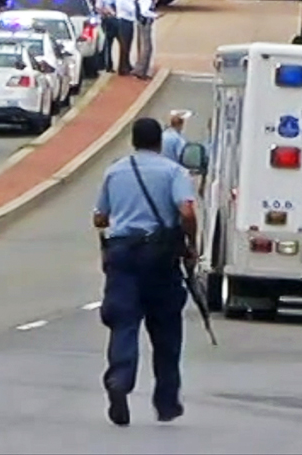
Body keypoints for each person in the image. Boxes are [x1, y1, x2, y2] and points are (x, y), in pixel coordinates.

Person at [93, 117, 198, 427]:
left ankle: (119, 381)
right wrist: (190, 242)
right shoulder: (174, 172)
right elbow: (187, 210)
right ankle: (166, 402)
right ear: (159, 143)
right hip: (160, 258)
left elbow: (100, 217)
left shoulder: (115, 171)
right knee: (166, 331)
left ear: (134, 141)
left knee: (123, 322)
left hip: (123, 254)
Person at [114, 0, 139, 75]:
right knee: (124, 45)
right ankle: (123, 68)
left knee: (127, 44)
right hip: (124, 22)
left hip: (127, 21)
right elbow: (131, 8)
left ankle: (127, 64)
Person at [132, 0, 157, 80]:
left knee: (144, 47)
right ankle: (141, 71)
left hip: (141, 23)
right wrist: (155, 15)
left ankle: (141, 70)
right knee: (147, 48)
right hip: (145, 23)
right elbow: (144, 12)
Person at [95, 0, 119, 72]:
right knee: (108, 44)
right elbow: (98, 8)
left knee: (122, 42)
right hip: (108, 22)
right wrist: (105, 13)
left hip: (117, 20)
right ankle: (108, 65)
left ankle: (124, 64)